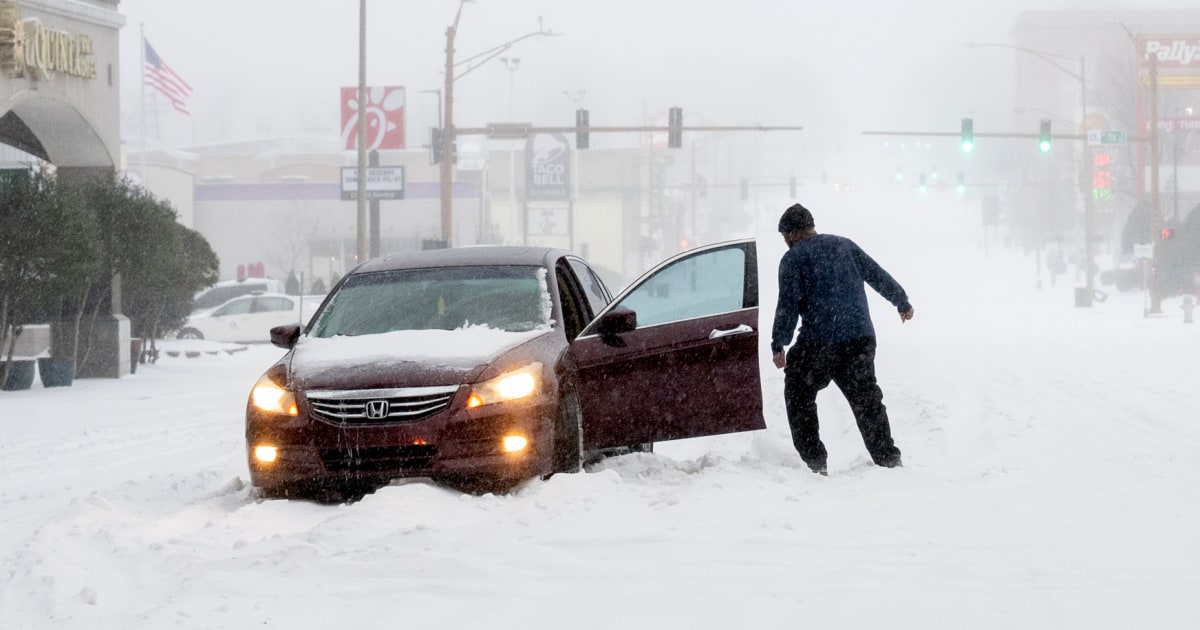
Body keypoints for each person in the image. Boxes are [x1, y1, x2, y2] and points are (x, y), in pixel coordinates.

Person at [770, 203, 914, 475]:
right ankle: (888, 459)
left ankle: (815, 463)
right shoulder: (844, 246)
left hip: (818, 344)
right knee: (867, 400)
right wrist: (901, 301)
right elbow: (876, 274)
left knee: (799, 394)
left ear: (790, 234)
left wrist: (780, 344)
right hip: (859, 339)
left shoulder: (792, 260)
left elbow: (787, 306)